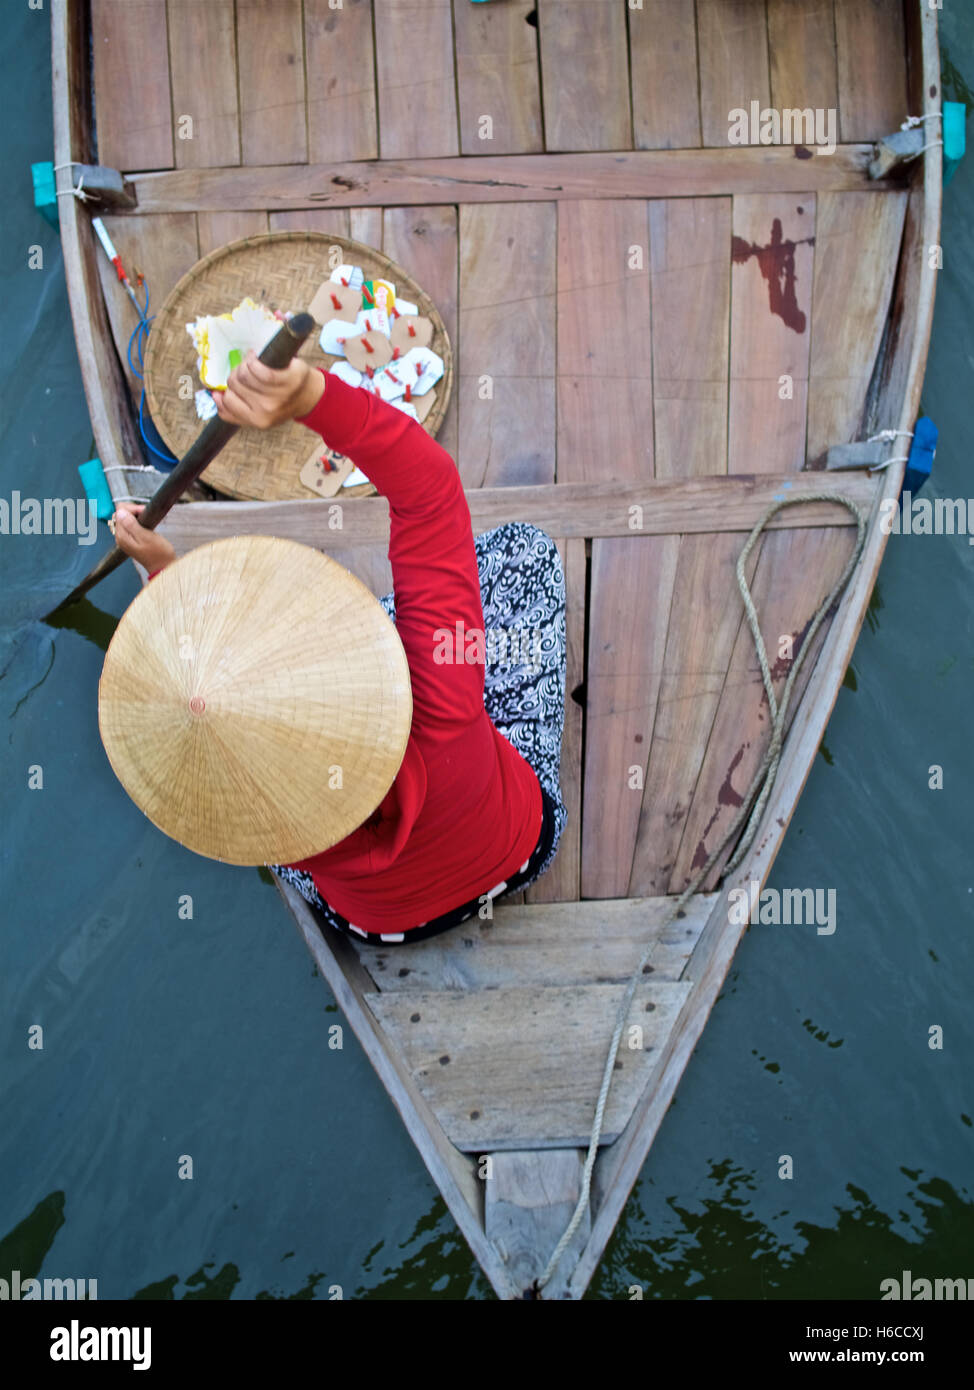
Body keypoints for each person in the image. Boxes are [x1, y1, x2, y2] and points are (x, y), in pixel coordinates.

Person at [112, 353, 568, 945]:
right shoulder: (439, 710)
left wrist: (165, 577)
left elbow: (196, 703)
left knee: (261, 829)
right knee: (522, 551)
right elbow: (428, 491)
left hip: (376, 927)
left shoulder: (258, 815)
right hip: (517, 853)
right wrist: (309, 396)